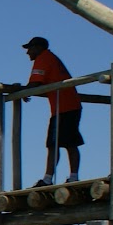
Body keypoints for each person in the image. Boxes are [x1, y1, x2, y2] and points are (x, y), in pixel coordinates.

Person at [20, 36, 81, 187]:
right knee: (69, 142)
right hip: (70, 105)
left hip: (63, 107)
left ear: (38, 47)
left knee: (54, 144)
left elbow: (35, 83)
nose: (28, 52)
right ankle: (73, 177)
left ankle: (47, 179)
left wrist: (21, 91)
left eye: (30, 48)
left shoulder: (43, 58)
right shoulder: (50, 58)